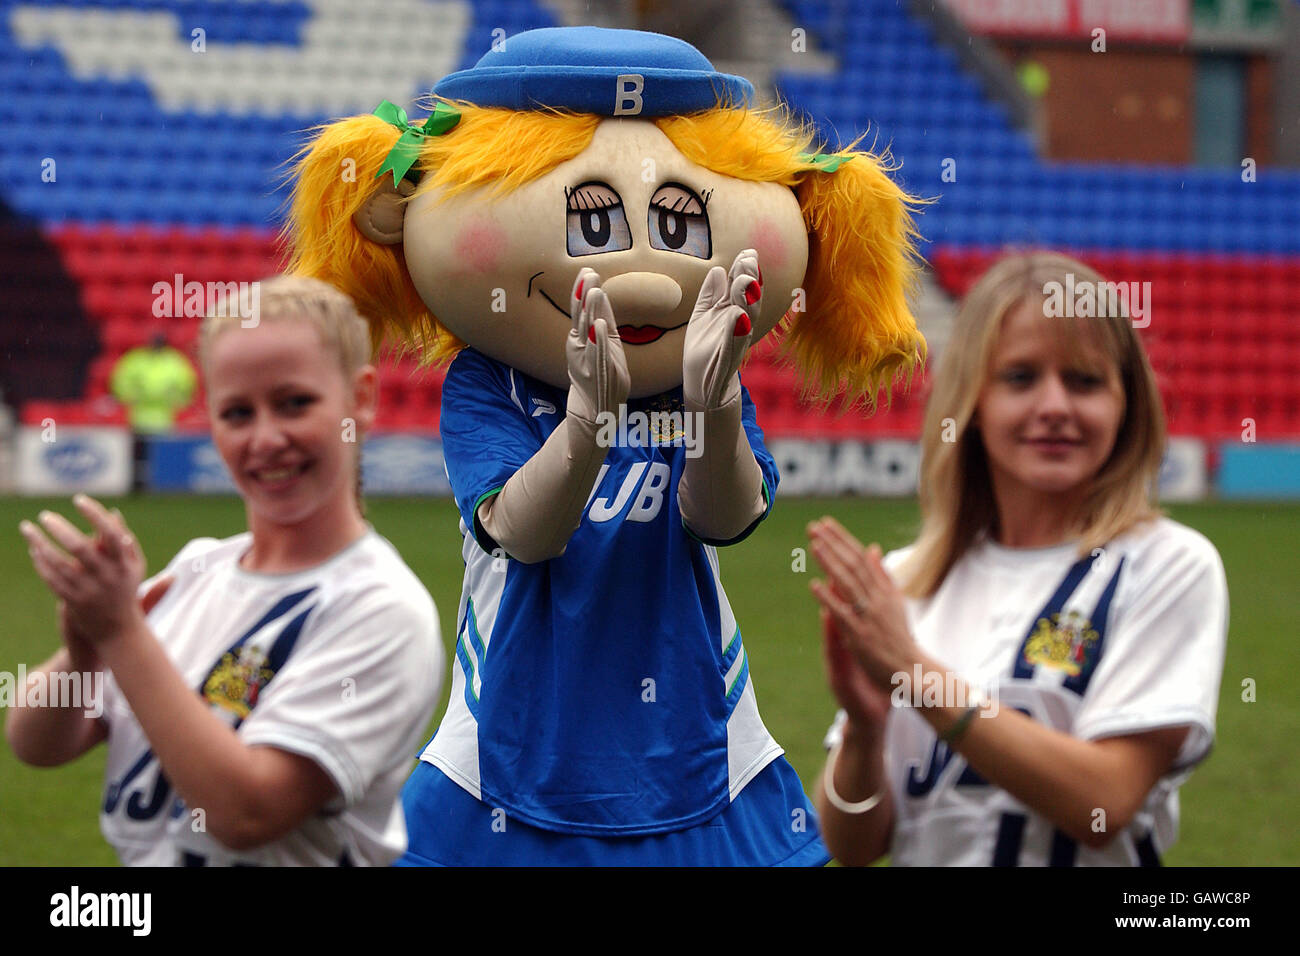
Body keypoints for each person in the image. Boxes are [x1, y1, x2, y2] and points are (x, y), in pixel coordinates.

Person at [282, 26, 925, 865]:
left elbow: (725, 517)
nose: (648, 271)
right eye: (591, 222)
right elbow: (524, 530)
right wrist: (589, 418)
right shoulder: (490, 382)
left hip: (702, 751)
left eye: (678, 222)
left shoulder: (699, 373)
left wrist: (715, 402)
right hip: (509, 756)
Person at [808, 252, 1228, 866]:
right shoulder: (905, 582)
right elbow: (854, 847)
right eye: (1020, 378)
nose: (1055, 406)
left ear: (1126, 403)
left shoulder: (1168, 566)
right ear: (971, 401)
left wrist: (915, 674)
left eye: (1085, 381)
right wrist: (865, 732)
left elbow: (1104, 802)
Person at [8, 276, 443, 866]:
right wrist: (84, 647)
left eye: (294, 403)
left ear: (360, 400)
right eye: (237, 413)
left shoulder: (381, 608)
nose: (266, 438)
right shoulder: (196, 569)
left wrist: (119, 632)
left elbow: (247, 813)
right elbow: (35, 744)